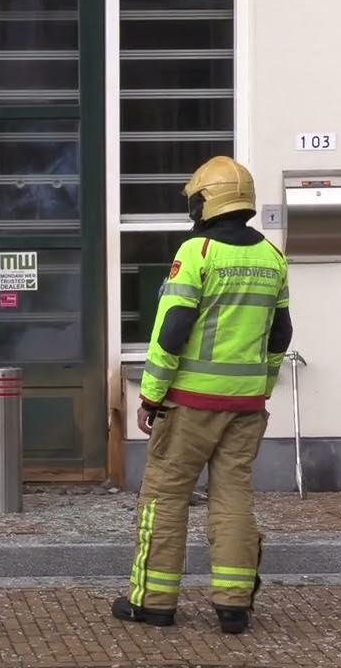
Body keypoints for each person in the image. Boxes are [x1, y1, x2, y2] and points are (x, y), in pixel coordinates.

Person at [111, 156, 292, 635]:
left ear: (205, 202)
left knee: (164, 498)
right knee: (233, 499)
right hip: (246, 406)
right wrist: (261, 388)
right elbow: (281, 335)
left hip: (190, 404)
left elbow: (172, 331)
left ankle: (153, 602)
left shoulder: (198, 252)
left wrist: (150, 397)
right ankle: (234, 605)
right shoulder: (272, 257)